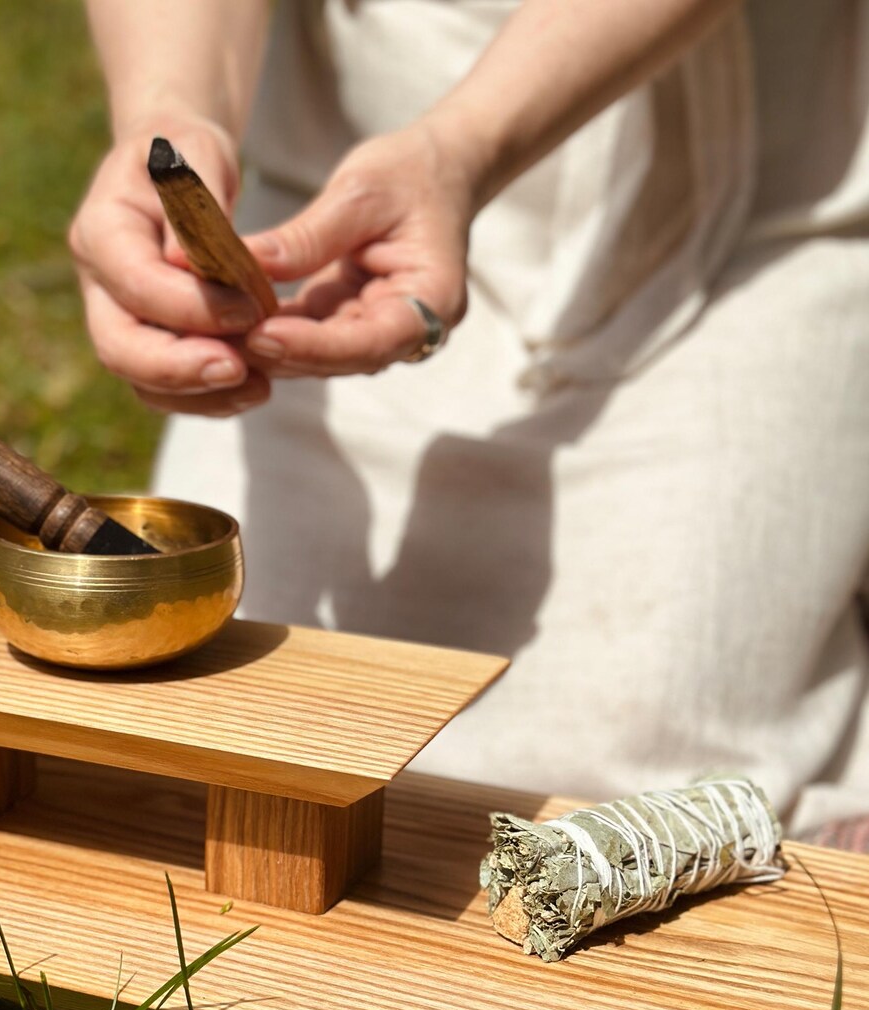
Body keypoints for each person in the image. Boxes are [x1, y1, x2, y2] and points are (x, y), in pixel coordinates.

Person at [69, 0, 869, 839]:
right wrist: (169, 112)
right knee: (195, 716)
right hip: (330, 221)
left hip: (758, 228)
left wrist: (460, 150)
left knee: (623, 778)